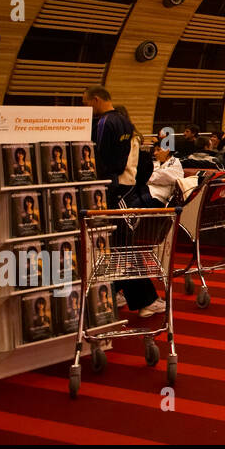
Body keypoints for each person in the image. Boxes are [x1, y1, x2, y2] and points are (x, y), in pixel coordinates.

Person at [81, 86, 163, 317]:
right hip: (124, 190)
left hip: (116, 192)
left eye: (85, 102)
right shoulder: (126, 126)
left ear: (95, 100)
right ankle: (120, 290)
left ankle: (145, 298)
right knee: (117, 246)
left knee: (120, 247)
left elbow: (106, 162)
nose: (85, 108)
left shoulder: (105, 124)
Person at [146, 139, 184, 204]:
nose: (155, 153)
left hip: (160, 198)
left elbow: (160, 176)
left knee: (135, 203)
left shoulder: (175, 163)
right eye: (155, 150)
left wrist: (145, 177)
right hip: (148, 191)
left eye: (158, 150)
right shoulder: (156, 163)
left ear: (167, 150)